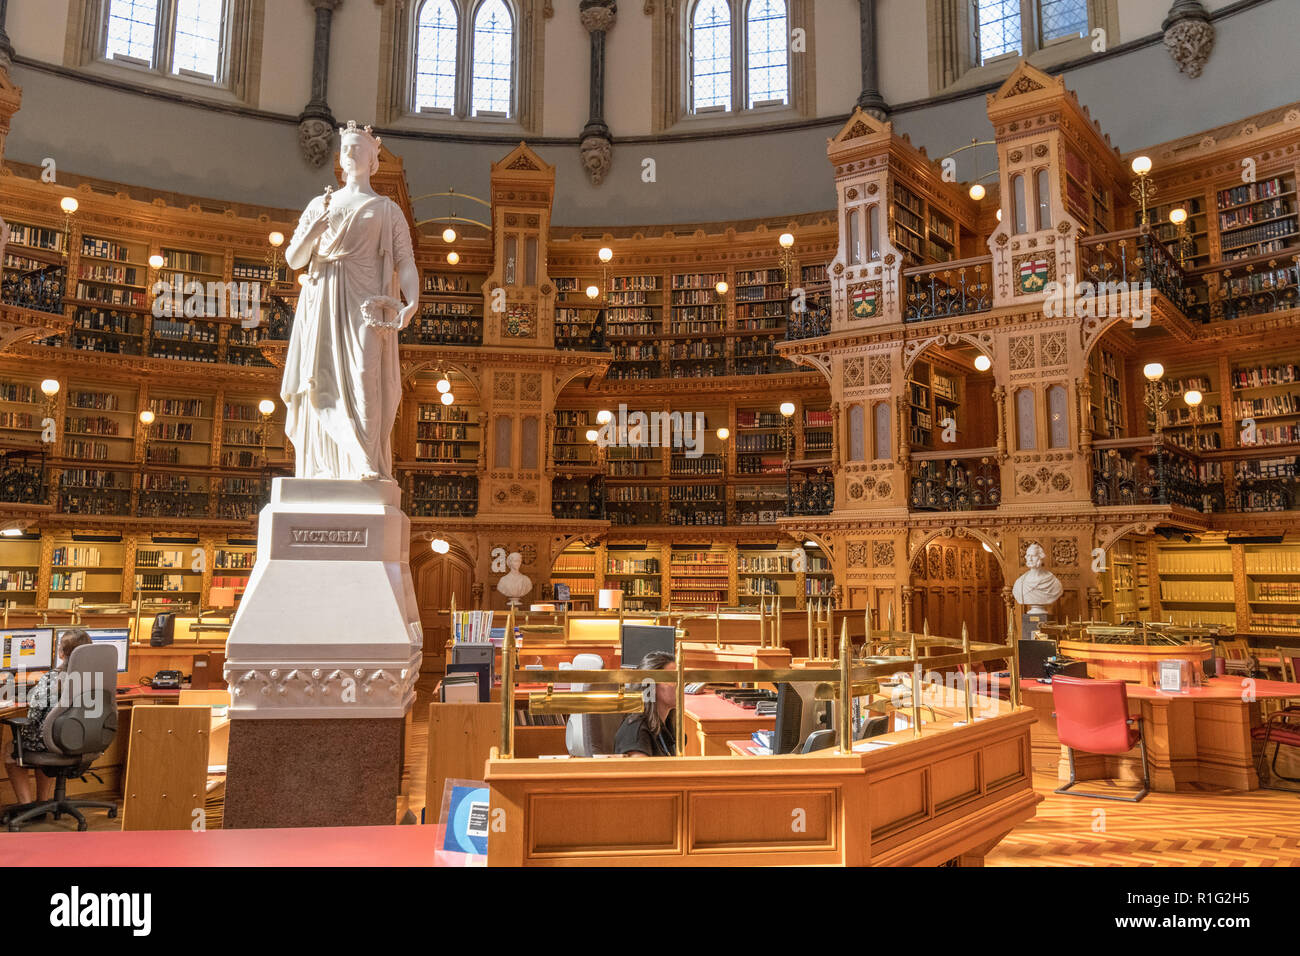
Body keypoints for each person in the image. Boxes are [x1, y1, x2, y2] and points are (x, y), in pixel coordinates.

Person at [281, 120, 419, 481]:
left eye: (358, 148)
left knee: (365, 374)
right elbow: (294, 259)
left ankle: (366, 454)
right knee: (321, 377)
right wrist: (311, 233)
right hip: (325, 299)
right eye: (345, 149)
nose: (350, 154)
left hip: (368, 303)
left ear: (374, 159)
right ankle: (336, 464)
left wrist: (413, 301)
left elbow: (406, 261)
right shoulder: (320, 204)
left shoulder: (387, 209)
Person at [3, 628, 94, 807]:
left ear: (61, 653)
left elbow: (33, 716)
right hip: (83, 741)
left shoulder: (51, 678)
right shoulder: (96, 677)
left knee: (11, 748)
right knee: (46, 736)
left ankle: (27, 805)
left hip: (53, 742)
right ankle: (43, 802)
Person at [615, 650, 677, 757]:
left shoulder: (665, 725)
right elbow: (641, 772)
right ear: (651, 686)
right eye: (672, 679)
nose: (679, 685)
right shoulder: (636, 732)